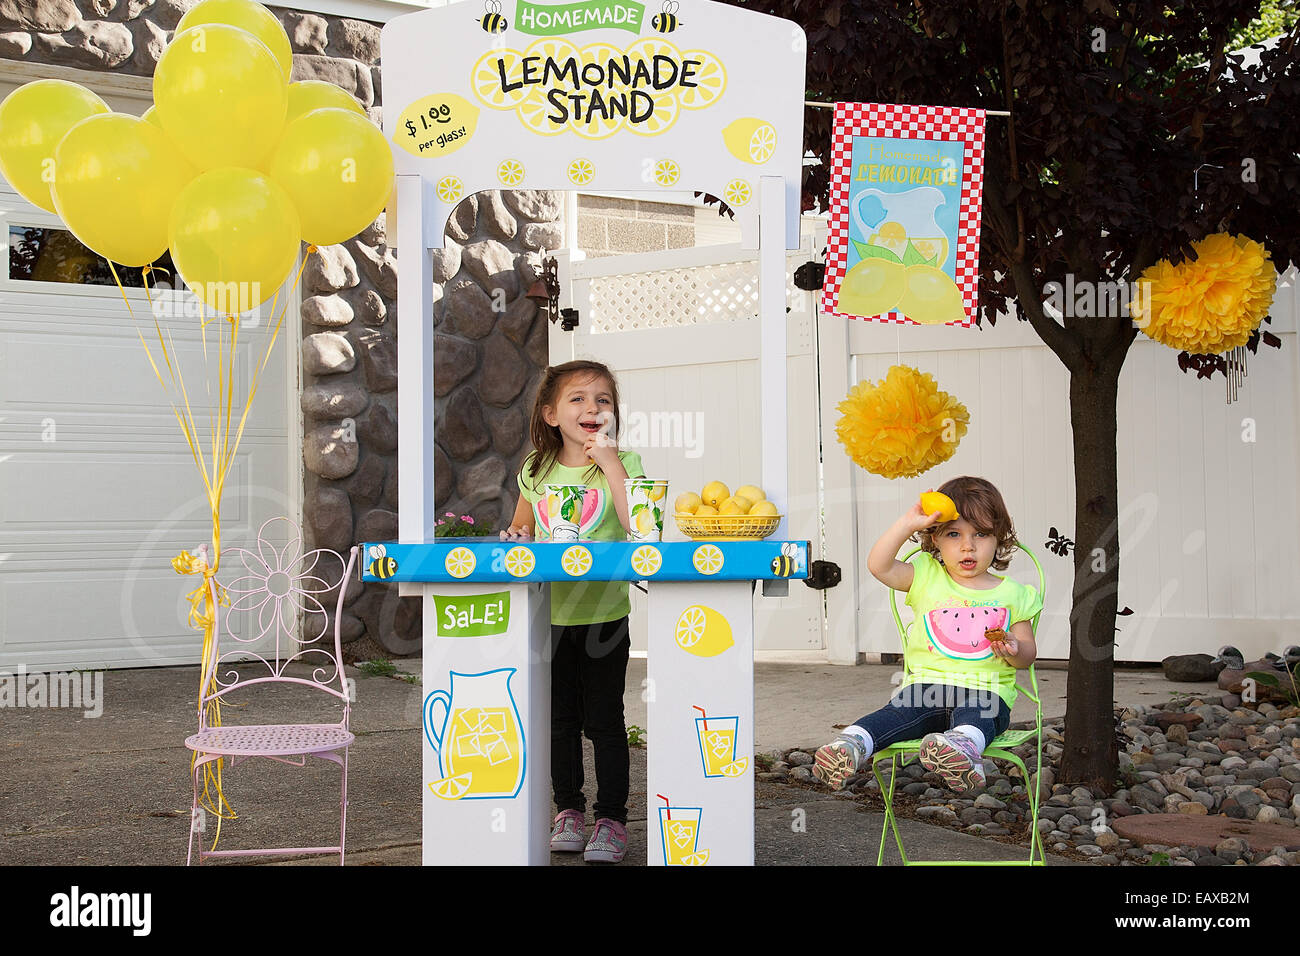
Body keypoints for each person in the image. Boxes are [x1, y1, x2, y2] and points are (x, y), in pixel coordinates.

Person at [813, 476, 1042, 793]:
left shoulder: (1016, 594)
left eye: (981, 534)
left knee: (979, 713)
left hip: (987, 692)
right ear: (934, 539)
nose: (968, 545)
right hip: (926, 688)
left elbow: (1027, 654)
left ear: (999, 538)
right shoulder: (925, 576)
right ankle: (853, 744)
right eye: (953, 534)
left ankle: (961, 749)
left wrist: (1015, 648)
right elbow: (878, 565)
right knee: (896, 714)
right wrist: (908, 523)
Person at [501, 360, 643, 863]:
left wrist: (610, 464)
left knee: (605, 720)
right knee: (559, 721)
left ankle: (611, 819)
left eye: (603, 400)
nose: (592, 408)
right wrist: (517, 537)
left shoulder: (625, 462)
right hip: (548, 617)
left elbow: (638, 527)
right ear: (550, 413)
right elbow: (523, 531)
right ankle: (569, 809)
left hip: (604, 613)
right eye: (578, 399)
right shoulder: (535, 469)